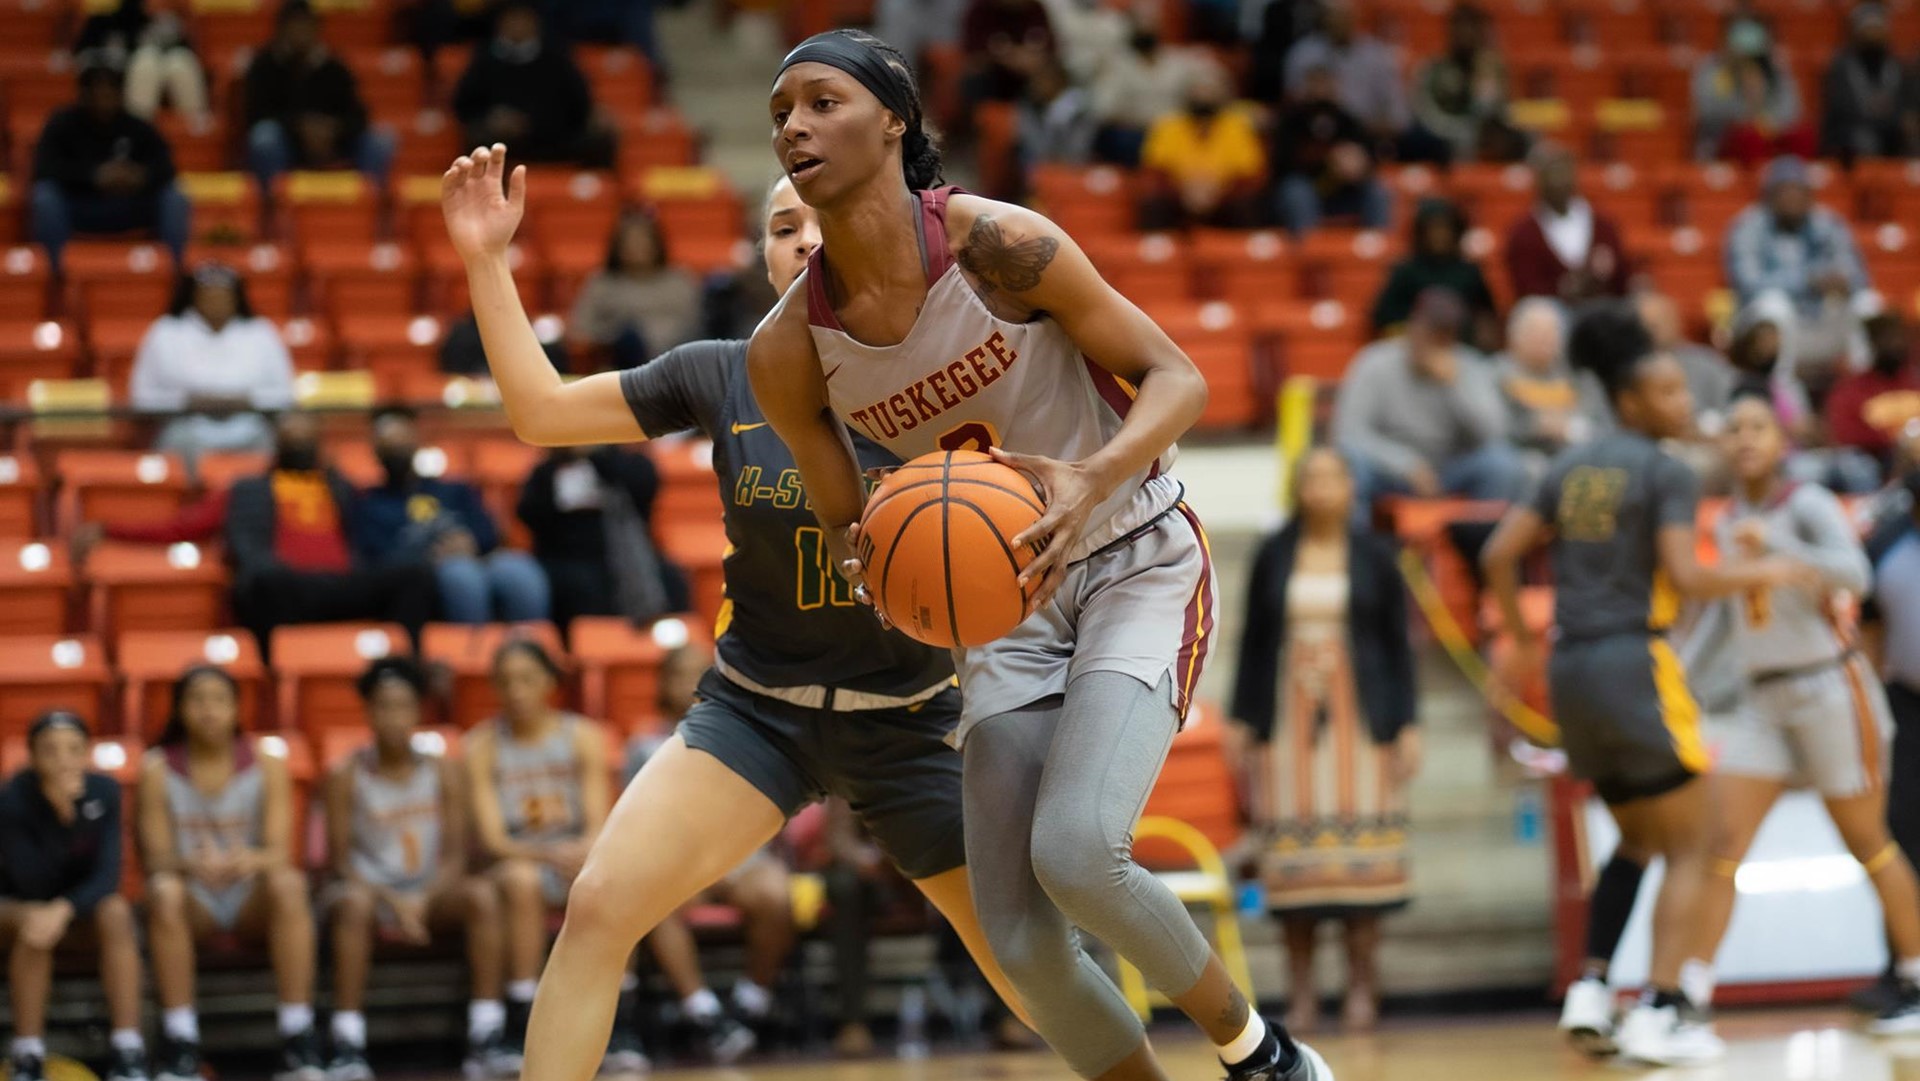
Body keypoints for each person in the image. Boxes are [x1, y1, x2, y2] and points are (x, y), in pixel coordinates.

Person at [746, 28, 1329, 1081]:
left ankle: (1265, 1055)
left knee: (1075, 853)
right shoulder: (788, 349)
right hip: (1006, 604)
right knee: (1014, 937)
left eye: (821, 101)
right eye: (781, 111)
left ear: (894, 119)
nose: (794, 125)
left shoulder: (996, 244)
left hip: (1129, 553)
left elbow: (1179, 380)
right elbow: (846, 528)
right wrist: (877, 565)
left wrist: (1089, 477)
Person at [442, 137, 1033, 1081]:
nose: (801, 239)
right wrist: (485, 259)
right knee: (598, 907)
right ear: (763, 258)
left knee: (1033, 961)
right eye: (780, 227)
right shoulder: (722, 372)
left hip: (916, 722)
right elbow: (542, 413)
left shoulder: (954, 378)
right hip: (759, 713)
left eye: (819, 219)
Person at [1481, 304, 1819, 1066]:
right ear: (1632, 400)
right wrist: (1769, 568)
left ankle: (1591, 991)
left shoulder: (1567, 465)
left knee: (1635, 836)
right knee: (1703, 843)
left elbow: (1500, 554)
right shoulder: (1664, 468)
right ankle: (1661, 1009)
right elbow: (1691, 574)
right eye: (1668, 392)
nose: (1683, 405)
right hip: (1637, 664)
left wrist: (1524, 643)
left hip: (1572, 670)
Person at [1677, 389, 1920, 1031]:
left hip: (1828, 689)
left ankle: (1917, 981)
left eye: (1759, 426)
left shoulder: (1805, 504)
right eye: (1734, 428)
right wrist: (1674, 681)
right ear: (1722, 445)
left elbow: (1856, 576)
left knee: (1869, 842)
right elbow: (1725, 625)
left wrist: (1784, 556)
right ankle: (1686, 998)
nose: (1747, 438)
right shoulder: (1728, 518)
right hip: (1762, 699)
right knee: (1723, 847)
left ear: (1780, 440)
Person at [1229, 447, 1418, 1036]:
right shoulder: (1274, 553)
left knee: (1361, 870)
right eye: (1312, 478)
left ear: (1351, 488)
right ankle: (1302, 995)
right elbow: (1254, 641)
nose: (1322, 488)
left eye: (1334, 477)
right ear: (1297, 488)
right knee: (1294, 869)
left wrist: (1408, 724)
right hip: (1287, 721)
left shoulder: (1377, 557)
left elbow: (1398, 646)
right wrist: (1242, 720)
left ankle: (1363, 987)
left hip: (1362, 720)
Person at [324, 657, 511, 1081]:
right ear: (369, 712)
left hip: (431, 891)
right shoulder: (345, 775)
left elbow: (456, 857)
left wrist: (423, 899)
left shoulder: (443, 771)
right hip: (372, 893)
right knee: (351, 904)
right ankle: (347, 1040)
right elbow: (340, 863)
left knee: (481, 895)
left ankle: (487, 1032)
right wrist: (394, 901)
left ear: (418, 711)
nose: (394, 717)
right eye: (384, 706)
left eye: (404, 706)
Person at [139, 666, 321, 1081]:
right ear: (180, 709)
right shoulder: (156, 769)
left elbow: (278, 853)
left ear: (237, 708)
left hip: (247, 896)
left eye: (219, 700)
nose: (209, 710)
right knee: (163, 891)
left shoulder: (267, 763)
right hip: (194, 898)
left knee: (290, 884)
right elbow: (156, 860)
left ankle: (298, 1034)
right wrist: (191, 864)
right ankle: (179, 1039)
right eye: (197, 700)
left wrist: (246, 861)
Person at [619, 646, 783, 1063]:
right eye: (679, 674)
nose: (690, 682)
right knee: (653, 904)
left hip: (739, 856)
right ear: (662, 685)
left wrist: (725, 864)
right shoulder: (643, 746)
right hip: (676, 865)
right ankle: (703, 1013)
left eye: (700, 671)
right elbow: (639, 826)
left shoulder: (747, 736)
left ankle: (751, 1003)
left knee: (776, 894)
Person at [463, 641, 612, 1065]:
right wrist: (551, 856)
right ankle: (522, 1010)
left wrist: (581, 855)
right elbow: (494, 841)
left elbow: (598, 823)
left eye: (527, 679)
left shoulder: (582, 735)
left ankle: (621, 1017)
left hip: (573, 858)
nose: (517, 691)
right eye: (506, 682)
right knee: (519, 879)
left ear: (549, 682)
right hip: (517, 862)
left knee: (616, 878)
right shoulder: (482, 745)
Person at [0, 712, 148, 1081]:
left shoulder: (105, 791)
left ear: (87, 754)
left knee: (115, 911)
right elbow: (29, 882)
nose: (63, 760)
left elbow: (108, 877)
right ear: (32, 757)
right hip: (16, 908)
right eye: (50, 750)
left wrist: (64, 909)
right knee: (34, 921)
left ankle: (128, 1046)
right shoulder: (13, 797)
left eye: (73, 749)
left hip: (74, 909)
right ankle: (28, 1053)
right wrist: (60, 814)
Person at [227, 412, 438, 655]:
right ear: (277, 443)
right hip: (290, 586)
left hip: (343, 583)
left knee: (414, 574)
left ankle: (406, 667)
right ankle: (276, 677)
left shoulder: (340, 486)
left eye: (305, 438)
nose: (299, 444)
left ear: (318, 443)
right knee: (265, 581)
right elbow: (247, 547)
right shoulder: (251, 489)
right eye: (292, 439)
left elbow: (365, 536)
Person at [354, 406, 549, 625]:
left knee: (518, 569)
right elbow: (378, 557)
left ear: (417, 442)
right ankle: (471, 653)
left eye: (403, 441)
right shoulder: (371, 504)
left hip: (478, 557)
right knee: (462, 576)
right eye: (390, 446)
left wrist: (469, 542)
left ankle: (530, 648)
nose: (398, 451)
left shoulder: (454, 489)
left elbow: (487, 530)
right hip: (429, 570)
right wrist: (433, 553)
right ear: (376, 452)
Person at [1335, 288, 1524, 508]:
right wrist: (1406, 465)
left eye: (1443, 333)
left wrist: (1455, 386)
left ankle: (1481, 538)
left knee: (1503, 464)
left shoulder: (1469, 367)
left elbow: (1494, 435)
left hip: (1449, 469)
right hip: (1387, 471)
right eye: (1427, 329)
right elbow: (1351, 433)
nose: (1431, 339)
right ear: (1411, 324)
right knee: (1351, 462)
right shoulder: (1375, 362)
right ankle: (1360, 541)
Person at [1726, 156, 1873, 383]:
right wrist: (1807, 282)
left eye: (1798, 190)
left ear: (1809, 196)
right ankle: (1779, 392)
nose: (1792, 197)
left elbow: (1859, 276)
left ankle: (1865, 388)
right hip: (1765, 329)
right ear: (1769, 196)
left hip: (1819, 321)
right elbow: (1748, 283)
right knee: (1775, 303)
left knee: (1867, 302)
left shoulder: (1829, 222)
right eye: (1784, 191)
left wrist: (1844, 282)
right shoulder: (1748, 225)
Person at [131, 264, 296, 463]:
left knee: (275, 453)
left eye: (223, 295)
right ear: (193, 296)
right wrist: (186, 402)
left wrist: (248, 401)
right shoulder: (165, 332)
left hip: (250, 426)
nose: (216, 302)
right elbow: (141, 396)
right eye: (209, 295)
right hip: (187, 426)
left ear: (236, 297)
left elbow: (285, 394)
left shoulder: (260, 332)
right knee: (175, 446)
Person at [30, 61, 191, 265]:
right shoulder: (62, 124)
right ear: (84, 94)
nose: (104, 97)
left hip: (131, 205)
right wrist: (93, 176)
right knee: (45, 197)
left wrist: (140, 176)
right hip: (80, 204)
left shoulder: (138, 126)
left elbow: (167, 167)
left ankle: (176, 274)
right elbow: (45, 168)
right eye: (97, 90)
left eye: (110, 90)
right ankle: (54, 276)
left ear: (121, 93)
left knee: (175, 196)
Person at [516, 445, 686, 629]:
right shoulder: (547, 470)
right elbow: (529, 514)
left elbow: (642, 489)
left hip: (629, 557)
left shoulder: (631, 463)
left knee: (671, 577)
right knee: (577, 586)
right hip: (566, 560)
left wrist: (595, 455)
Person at [242, 0, 395, 182]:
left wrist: (332, 129)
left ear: (316, 29)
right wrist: (300, 127)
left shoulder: (334, 67)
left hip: (333, 141)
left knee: (380, 141)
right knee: (264, 138)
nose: (299, 32)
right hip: (287, 141)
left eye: (304, 24)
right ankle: (272, 203)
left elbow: (358, 115)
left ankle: (366, 201)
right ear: (281, 29)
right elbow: (256, 114)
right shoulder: (264, 65)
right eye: (294, 25)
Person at [452, 0, 612, 166]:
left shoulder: (557, 55)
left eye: (523, 19)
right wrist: (491, 119)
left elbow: (580, 101)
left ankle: (591, 188)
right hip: (507, 141)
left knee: (601, 137)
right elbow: (464, 105)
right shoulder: (485, 59)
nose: (518, 25)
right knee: (481, 144)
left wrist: (589, 115)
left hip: (557, 135)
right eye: (512, 19)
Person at [566, 209, 703, 370]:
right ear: (617, 246)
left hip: (673, 360)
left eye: (643, 240)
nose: (636, 247)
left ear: (656, 243)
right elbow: (580, 329)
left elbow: (696, 327)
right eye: (629, 241)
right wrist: (615, 334)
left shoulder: (680, 281)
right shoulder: (601, 283)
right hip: (619, 364)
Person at [1138, 63, 1266, 229]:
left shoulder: (1238, 126)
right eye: (1199, 89)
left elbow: (1250, 175)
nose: (1204, 95)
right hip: (1179, 197)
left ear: (1222, 94)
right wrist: (1183, 191)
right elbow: (1154, 172)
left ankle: (1246, 252)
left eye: (1210, 89)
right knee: (1154, 201)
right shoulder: (1168, 125)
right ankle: (1155, 250)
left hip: (1224, 199)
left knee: (1247, 203)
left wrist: (1218, 192)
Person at [1281, 0, 1411, 162]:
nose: (1338, 21)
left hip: (1362, 140)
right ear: (1324, 17)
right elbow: (1291, 106)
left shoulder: (1377, 56)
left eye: (1344, 15)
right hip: (1314, 139)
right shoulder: (1303, 54)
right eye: (1333, 15)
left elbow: (1398, 117)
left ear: (1355, 16)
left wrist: (1366, 127)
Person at [1502, 142, 1630, 304]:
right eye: (1551, 172)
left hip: (1601, 308)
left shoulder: (1604, 226)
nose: (1558, 180)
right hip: (1551, 309)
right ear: (1538, 178)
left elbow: (1621, 279)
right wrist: (1564, 290)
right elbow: (1525, 288)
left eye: (1563, 170)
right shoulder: (1523, 233)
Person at [1272, 62, 1390, 234]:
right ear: (1306, 87)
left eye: (1325, 83)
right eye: (1316, 83)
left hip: (1343, 192)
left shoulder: (1348, 121)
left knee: (1377, 192)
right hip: (1304, 190)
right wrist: (1330, 161)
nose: (1321, 90)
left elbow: (1370, 157)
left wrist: (1359, 166)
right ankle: (1310, 252)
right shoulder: (1291, 120)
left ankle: (1375, 251)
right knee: (1297, 192)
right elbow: (1280, 165)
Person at [1494, 298, 1607, 476]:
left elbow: (1600, 421)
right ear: (1514, 336)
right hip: (1526, 455)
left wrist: (1570, 427)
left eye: (1551, 332)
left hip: (1578, 451)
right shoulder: (1498, 374)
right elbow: (1495, 427)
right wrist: (1534, 426)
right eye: (1535, 333)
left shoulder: (1575, 374)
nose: (1544, 340)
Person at [1369, 198, 1497, 342]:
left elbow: (1487, 316)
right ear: (1421, 233)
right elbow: (1383, 316)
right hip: (1414, 346)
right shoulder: (1405, 271)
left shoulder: (1469, 272)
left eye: (1445, 228)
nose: (1440, 235)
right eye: (1433, 229)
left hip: (1461, 347)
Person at [1409, 3, 1522, 165]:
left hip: (1484, 137)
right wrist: (1459, 131)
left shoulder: (1490, 67)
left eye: (1471, 27)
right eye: (1459, 27)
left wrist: (1484, 81)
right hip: (1441, 140)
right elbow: (1425, 114)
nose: (1465, 33)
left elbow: (1501, 112)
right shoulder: (1433, 67)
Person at [1693, 15, 1813, 165]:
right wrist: (1746, 104)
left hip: (1772, 136)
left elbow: (1793, 109)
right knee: (1750, 137)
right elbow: (1708, 112)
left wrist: (1768, 119)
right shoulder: (1713, 69)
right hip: (1724, 141)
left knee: (1802, 135)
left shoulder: (1775, 68)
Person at [73, 0, 208, 124]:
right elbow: (82, 56)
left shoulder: (165, 22)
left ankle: (197, 125)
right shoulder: (103, 21)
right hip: (125, 77)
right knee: (146, 60)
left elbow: (190, 50)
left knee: (180, 59)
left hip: (166, 69)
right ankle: (139, 124)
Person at [1821, 3, 1918, 163]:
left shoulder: (1896, 66)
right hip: (1852, 133)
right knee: (1865, 141)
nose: (1873, 33)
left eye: (1878, 28)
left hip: (1891, 130)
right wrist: (1881, 116)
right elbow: (1841, 111)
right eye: (1869, 28)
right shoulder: (1841, 67)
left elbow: (1905, 107)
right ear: (1857, 32)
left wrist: (1897, 121)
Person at [1635, 292, 1738, 436]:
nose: (1651, 332)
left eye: (1657, 324)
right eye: (1644, 326)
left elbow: (1733, 406)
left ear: (1675, 321)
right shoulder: (1631, 372)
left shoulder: (1706, 362)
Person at [1829, 313, 1920, 469]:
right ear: (1872, 342)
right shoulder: (1851, 389)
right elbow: (1845, 434)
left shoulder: (1915, 382)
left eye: (1897, 337)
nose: (1893, 344)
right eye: (1885, 338)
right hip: (1874, 463)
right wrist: (1897, 441)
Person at [961, 0, 1056, 105]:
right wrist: (1009, 57)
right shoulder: (980, 10)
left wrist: (1033, 59)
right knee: (975, 80)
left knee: (1051, 75)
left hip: (1029, 76)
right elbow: (973, 55)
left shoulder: (1035, 8)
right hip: (995, 77)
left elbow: (1050, 48)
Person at [1015, 56, 1096, 171]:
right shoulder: (1029, 106)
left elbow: (1081, 146)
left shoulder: (1080, 108)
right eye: (1034, 81)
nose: (1035, 86)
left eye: (1041, 80)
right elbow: (1028, 141)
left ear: (1059, 81)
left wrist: (1064, 162)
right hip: (1039, 164)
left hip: (1073, 165)